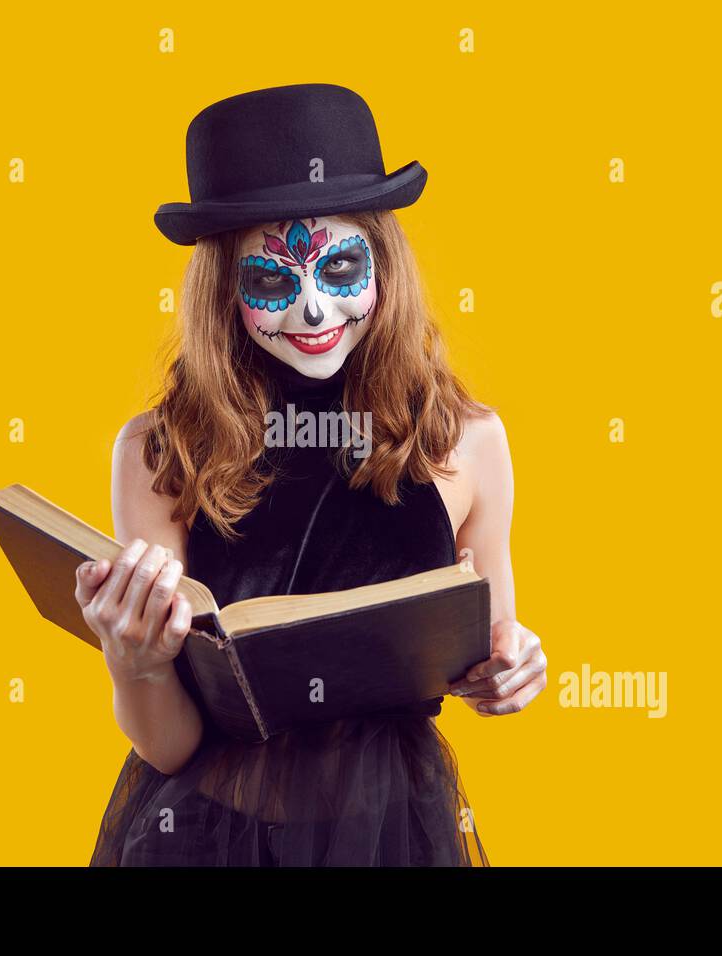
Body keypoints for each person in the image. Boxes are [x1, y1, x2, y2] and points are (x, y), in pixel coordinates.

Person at [77, 84, 547, 866]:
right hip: (204, 836)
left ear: (383, 264)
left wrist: (512, 669)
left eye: (338, 267)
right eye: (271, 281)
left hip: (393, 835)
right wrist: (136, 667)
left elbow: (490, 653)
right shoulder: (159, 454)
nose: (314, 310)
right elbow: (169, 748)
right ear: (223, 290)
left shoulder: (467, 442)